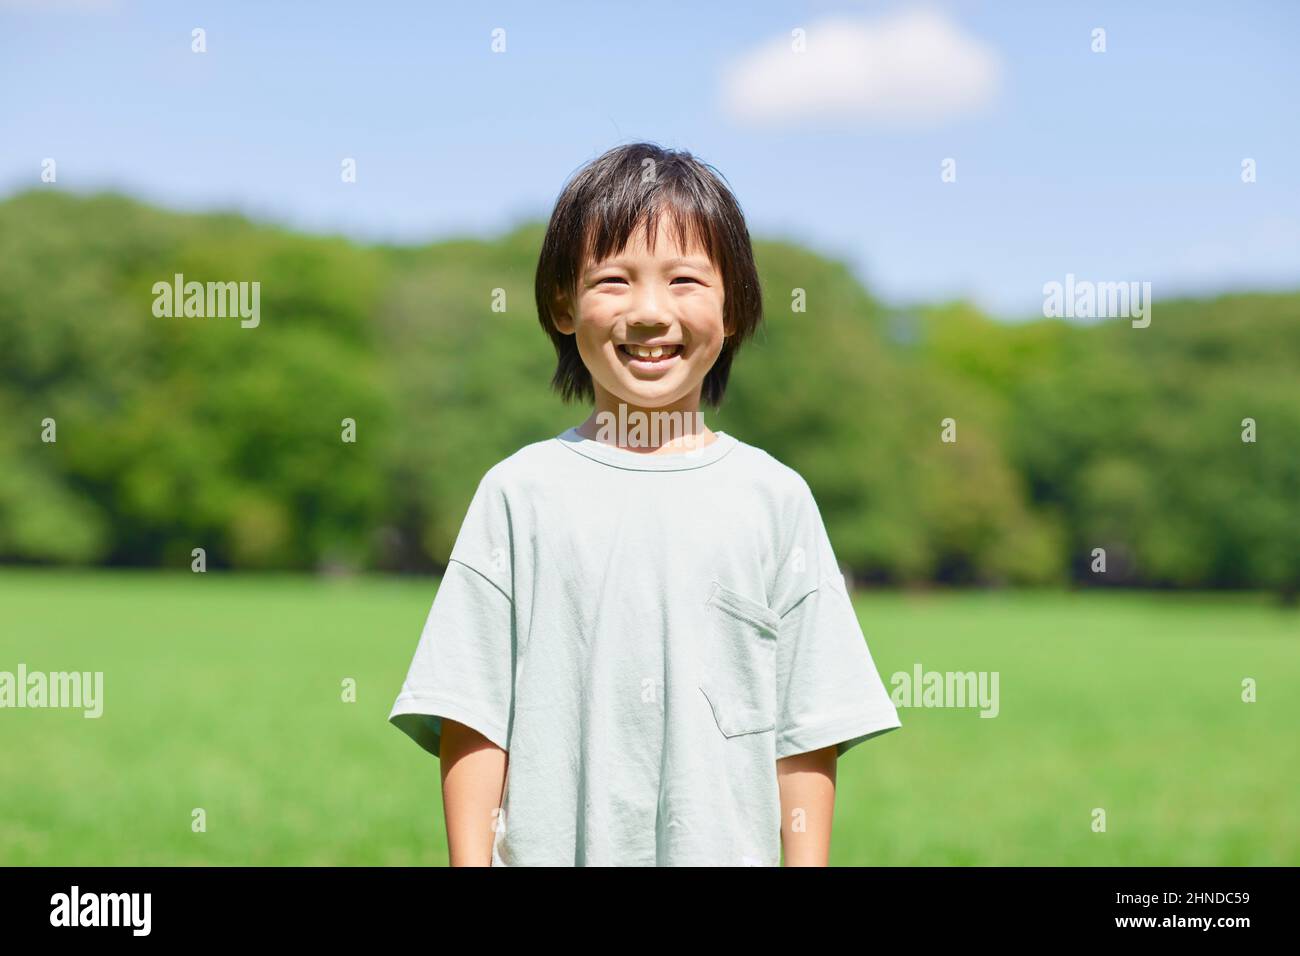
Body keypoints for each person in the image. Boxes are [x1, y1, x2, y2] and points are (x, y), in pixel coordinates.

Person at [388, 142, 901, 866]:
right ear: (564, 306)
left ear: (734, 307)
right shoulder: (518, 494)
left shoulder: (774, 500)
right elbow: (471, 716)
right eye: (614, 281)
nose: (650, 312)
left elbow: (808, 728)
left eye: (686, 280)